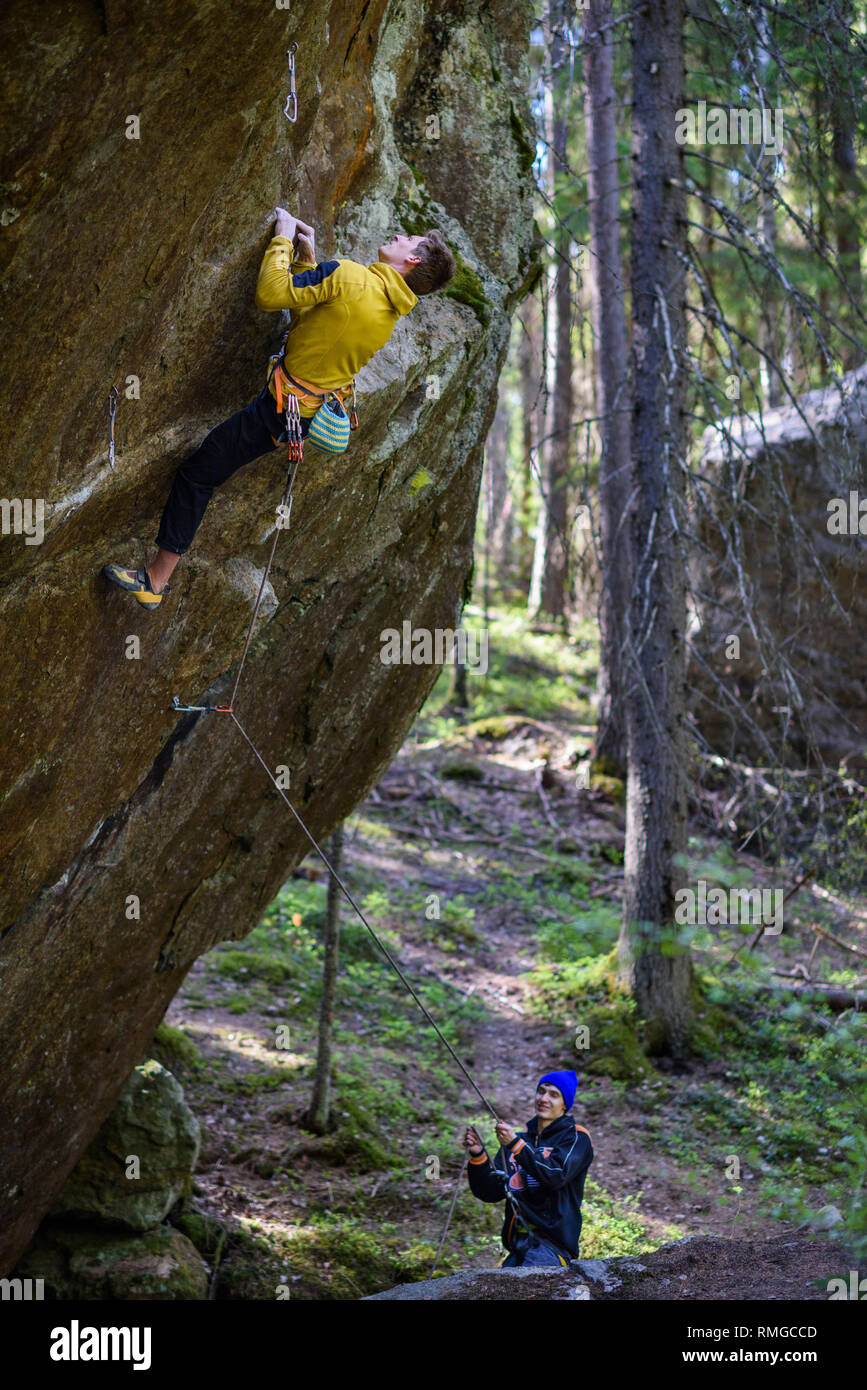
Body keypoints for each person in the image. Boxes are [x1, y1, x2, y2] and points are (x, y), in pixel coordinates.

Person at [103, 208, 457, 609]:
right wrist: (307, 262)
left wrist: (282, 237)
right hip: (300, 415)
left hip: (278, 408)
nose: (397, 235)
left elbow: (270, 294)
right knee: (206, 470)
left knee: (198, 475)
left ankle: (156, 581)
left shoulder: (349, 275)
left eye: (406, 240)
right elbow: (317, 323)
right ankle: (156, 579)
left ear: (412, 260)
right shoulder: (388, 309)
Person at [464, 1070, 593, 1267]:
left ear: (565, 1105)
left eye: (553, 1094)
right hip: (517, 1244)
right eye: (541, 1092)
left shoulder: (576, 1138)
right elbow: (490, 1192)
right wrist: (478, 1155)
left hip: (552, 1246)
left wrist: (516, 1146)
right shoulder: (519, 1140)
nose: (544, 1098)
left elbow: (555, 1176)